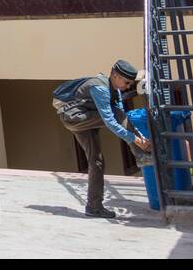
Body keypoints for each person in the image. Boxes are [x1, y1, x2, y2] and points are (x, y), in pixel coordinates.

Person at [52, 59, 151, 218]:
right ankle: (142, 156)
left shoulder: (115, 91)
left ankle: (94, 207)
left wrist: (139, 136)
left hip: (85, 118)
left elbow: (124, 119)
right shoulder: (101, 88)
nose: (128, 87)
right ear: (115, 76)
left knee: (97, 161)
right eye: (126, 82)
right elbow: (111, 121)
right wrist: (137, 140)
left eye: (130, 84)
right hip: (74, 117)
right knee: (116, 116)